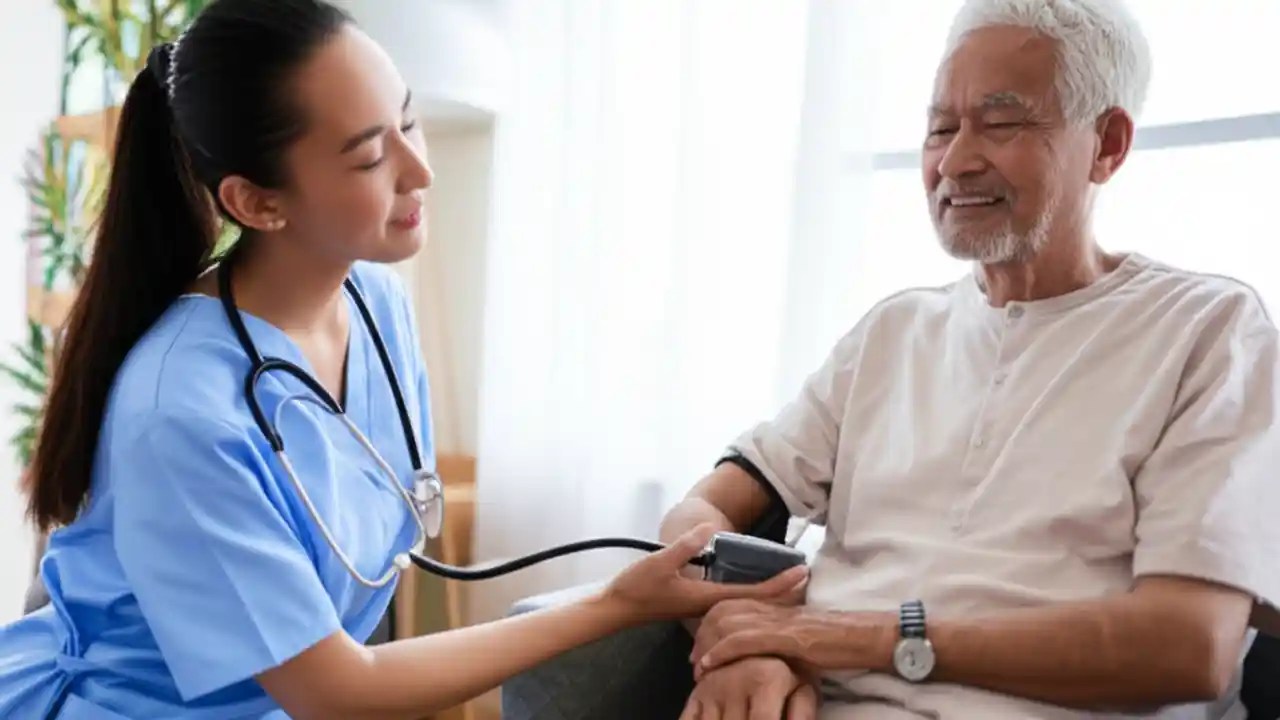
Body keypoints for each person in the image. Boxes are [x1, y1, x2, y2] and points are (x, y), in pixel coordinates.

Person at [0, 1, 809, 718]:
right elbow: (335, 690)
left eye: (408, 122)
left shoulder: (377, 304)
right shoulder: (181, 410)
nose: (419, 170)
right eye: (367, 156)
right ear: (256, 201)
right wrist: (617, 602)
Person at [660, 0, 1280, 718]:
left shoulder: (1209, 331)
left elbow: (1187, 647)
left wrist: (851, 637)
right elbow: (699, 509)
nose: (954, 162)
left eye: (1003, 122)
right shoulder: (892, 334)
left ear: (1107, 144)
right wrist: (749, 643)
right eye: (940, 128)